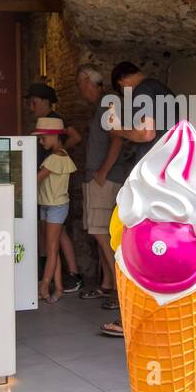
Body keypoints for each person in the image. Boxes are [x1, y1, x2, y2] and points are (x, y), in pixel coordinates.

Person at [100, 62, 176, 337]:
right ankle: (158, 315)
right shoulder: (163, 91)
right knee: (163, 248)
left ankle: (132, 318)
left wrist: (118, 131)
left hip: (154, 181)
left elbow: (146, 132)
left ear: (122, 82)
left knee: (138, 245)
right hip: (168, 179)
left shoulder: (145, 91)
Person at [75, 64, 128, 309]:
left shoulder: (109, 102)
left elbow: (117, 137)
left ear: (88, 81)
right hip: (100, 177)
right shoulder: (104, 105)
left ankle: (119, 289)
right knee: (99, 229)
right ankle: (107, 283)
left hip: (105, 179)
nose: (79, 89)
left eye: (79, 83)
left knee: (101, 232)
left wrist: (102, 172)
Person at [25, 81, 83, 293]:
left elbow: (74, 136)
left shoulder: (55, 130)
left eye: (33, 103)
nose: (40, 141)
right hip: (48, 199)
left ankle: (47, 283)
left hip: (53, 199)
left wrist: (56, 157)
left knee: (54, 242)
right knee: (54, 241)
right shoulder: (56, 155)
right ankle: (58, 285)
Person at [34, 116, 77, 303]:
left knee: (50, 250)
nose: (40, 141)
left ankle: (44, 286)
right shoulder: (62, 155)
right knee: (54, 249)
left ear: (53, 136)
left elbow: (35, 179)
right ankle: (58, 288)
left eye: (43, 137)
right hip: (49, 205)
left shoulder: (54, 159)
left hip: (55, 207)